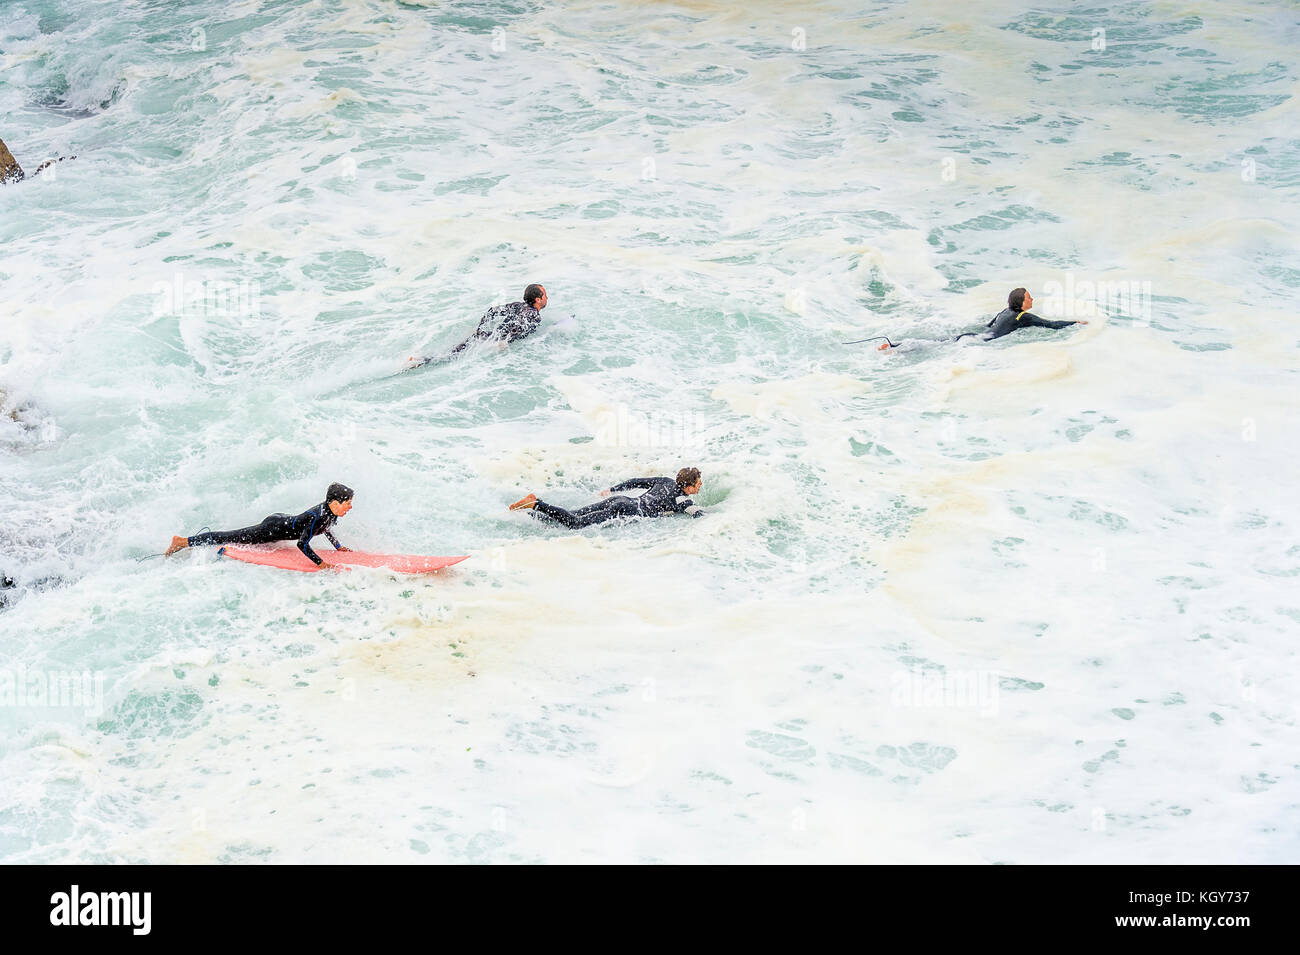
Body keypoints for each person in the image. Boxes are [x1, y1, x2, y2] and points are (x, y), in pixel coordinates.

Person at [165, 483, 355, 566]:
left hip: (283, 519)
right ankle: (183, 541)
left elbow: (327, 528)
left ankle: (185, 541)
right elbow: (302, 544)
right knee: (229, 536)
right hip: (272, 529)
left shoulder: (330, 513)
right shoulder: (317, 516)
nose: (350, 507)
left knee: (232, 535)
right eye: (347, 503)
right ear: (335, 502)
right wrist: (322, 565)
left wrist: (338, 547)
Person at [875, 288, 1086, 350]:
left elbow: (988, 325)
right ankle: (895, 347)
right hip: (980, 342)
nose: (1032, 299)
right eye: (1029, 297)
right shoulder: (1024, 316)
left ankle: (894, 345)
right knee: (936, 348)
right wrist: (1075, 323)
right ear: (1022, 303)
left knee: (937, 343)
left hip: (973, 335)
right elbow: (1050, 325)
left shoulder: (1005, 311)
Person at [509, 468, 705, 529]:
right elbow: (698, 515)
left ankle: (531, 514)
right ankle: (536, 504)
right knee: (575, 523)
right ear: (688, 486)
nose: (700, 485)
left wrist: (612, 489)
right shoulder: (682, 499)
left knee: (572, 514)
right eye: (698, 484)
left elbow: (636, 481)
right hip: (626, 510)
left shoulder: (666, 481)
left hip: (621, 499)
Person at [409, 284, 549, 367]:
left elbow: (492, 311)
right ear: (538, 299)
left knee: (452, 353)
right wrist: (502, 342)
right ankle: (419, 361)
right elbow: (518, 327)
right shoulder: (534, 315)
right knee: (451, 357)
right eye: (545, 295)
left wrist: (481, 329)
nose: (547, 298)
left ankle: (418, 360)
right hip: (491, 342)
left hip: (483, 336)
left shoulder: (518, 305)